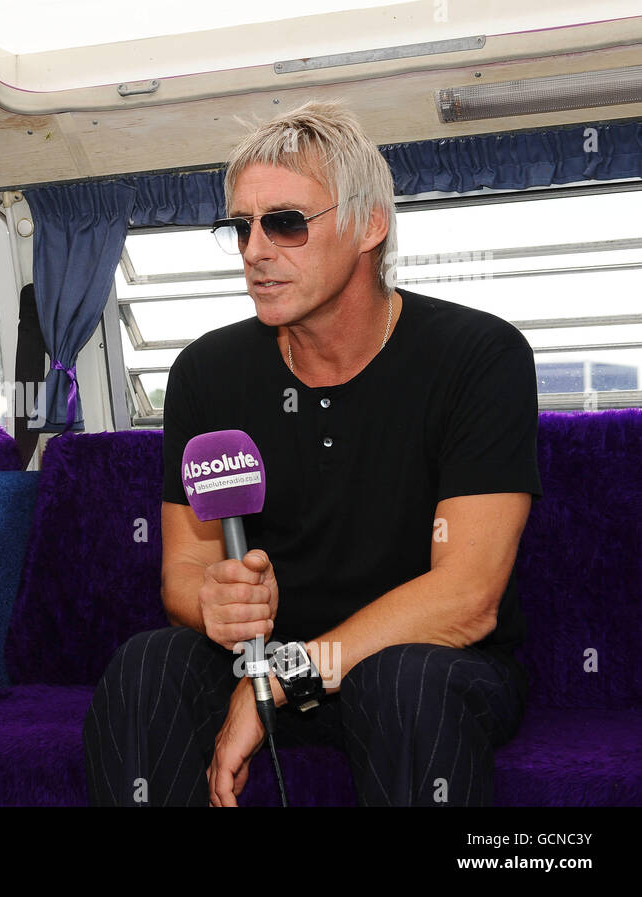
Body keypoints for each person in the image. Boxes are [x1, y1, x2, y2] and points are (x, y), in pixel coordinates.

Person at [83, 101, 541, 807]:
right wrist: (215, 604)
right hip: (259, 662)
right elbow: (184, 571)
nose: (256, 250)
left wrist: (280, 674)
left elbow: (468, 599)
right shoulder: (207, 373)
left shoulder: (479, 357)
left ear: (370, 224)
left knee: (404, 683)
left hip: (423, 664)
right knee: (146, 665)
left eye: (287, 223)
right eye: (241, 227)